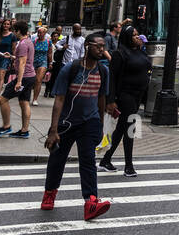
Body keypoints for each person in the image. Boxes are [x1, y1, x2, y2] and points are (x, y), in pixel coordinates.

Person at [41, 34, 112, 221]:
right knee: (57, 159)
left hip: (90, 123)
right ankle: (49, 193)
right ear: (88, 47)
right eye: (98, 46)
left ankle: (91, 202)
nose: (102, 50)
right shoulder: (70, 69)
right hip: (67, 122)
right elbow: (59, 99)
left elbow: (101, 99)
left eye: (103, 46)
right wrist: (54, 129)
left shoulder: (103, 71)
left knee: (88, 161)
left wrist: (100, 126)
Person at [100, 26, 152, 177]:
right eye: (134, 35)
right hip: (125, 95)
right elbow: (112, 78)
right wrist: (110, 100)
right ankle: (129, 166)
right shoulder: (119, 53)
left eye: (138, 34)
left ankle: (106, 160)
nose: (137, 37)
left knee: (121, 129)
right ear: (127, 37)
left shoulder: (140, 51)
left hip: (137, 96)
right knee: (131, 128)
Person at [0, 20, 35, 138]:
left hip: (24, 77)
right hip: (30, 76)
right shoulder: (28, 41)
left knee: (2, 99)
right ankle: (24, 131)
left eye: (14, 30)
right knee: (24, 102)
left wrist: (19, 81)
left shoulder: (22, 44)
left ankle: (6, 127)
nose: (12, 32)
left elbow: (22, 63)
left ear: (18, 31)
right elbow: (22, 58)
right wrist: (11, 56)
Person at [31, 26, 51, 108]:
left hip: (43, 62)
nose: (39, 34)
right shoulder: (34, 41)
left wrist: (50, 63)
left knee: (39, 80)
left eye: (41, 32)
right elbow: (30, 52)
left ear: (45, 33)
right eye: (38, 32)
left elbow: (49, 53)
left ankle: (35, 99)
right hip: (33, 62)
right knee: (32, 80)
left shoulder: (48, 42)